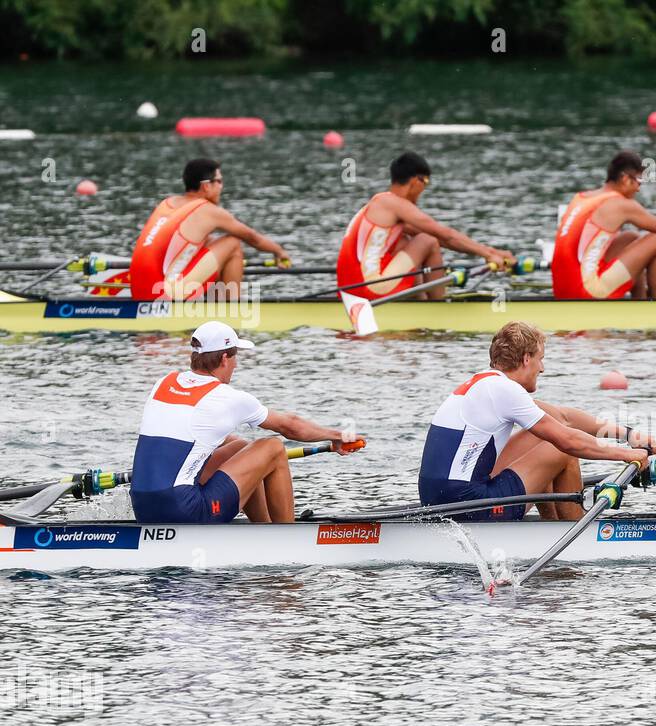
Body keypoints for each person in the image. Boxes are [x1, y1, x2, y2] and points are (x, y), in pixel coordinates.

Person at [418, 322, 656, 521]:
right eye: (540, 359)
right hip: (466, 506)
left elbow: (564, 417)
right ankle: (575, 527)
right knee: (561, 448)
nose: (541, 368)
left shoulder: (487, 383)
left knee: (542, 434)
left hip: (438, 502)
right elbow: (567, 440)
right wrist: (626, 455)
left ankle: (552, 524)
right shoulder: (505, 391)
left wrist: (629, 435)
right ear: (526, 359)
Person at [130, 321, 361, 523]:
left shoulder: (163, 383)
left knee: (240, 447)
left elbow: (197, 433)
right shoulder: (228, 397)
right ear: (223, 358)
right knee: (273, 447)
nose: (236, 365)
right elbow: (289, 426)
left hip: (143, 507)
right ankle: (286, 537)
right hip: (184, 509)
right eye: (234, 357)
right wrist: (337, 436)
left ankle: (263, 529)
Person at [337, 152, 516, 302]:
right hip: (368, 288)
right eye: (426, 183)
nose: (424, 189)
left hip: (351, 288)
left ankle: (421, 299)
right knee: (427, 241)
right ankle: (438, 305)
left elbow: (446, 241)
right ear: (416, 181)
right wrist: (488, 255)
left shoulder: (381, 205)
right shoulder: (393, 203)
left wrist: (493, 252)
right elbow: (445, 235)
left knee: (406, 241)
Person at [551, 150, 656, 300]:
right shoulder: (619, 203)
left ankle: (639, 301)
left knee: (631, 238)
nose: (639, 189)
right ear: (625, 178)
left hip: (562, 289)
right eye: (639, 181)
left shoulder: (580, 198)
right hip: (587, 291)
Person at [130, 158, 291, 301]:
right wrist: (279, 252)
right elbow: (252, 237)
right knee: (233, 243)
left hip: (138, 291)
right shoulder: (206, 210)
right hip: (163, 294)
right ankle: (231, 309)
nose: (222, 186)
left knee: (210, 241)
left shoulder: (167, 203)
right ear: (206, 186)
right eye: (219, 181)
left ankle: (214, 302)